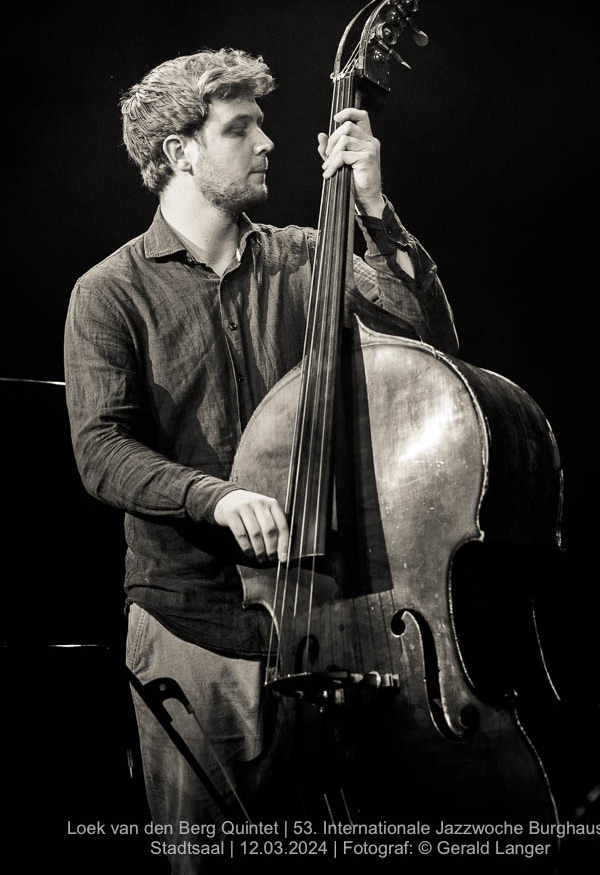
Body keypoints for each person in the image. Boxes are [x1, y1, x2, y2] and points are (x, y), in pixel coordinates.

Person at [63, 48, 458, 869]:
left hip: (337, 614)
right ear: (178, 152)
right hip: (195, 623)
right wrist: (212, 496)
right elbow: (100, 450)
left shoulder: (306, 254)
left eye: (262, 124)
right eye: (240, 128)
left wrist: (375, 210)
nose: (270, 142)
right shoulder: (110, 292)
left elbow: (431, 347)